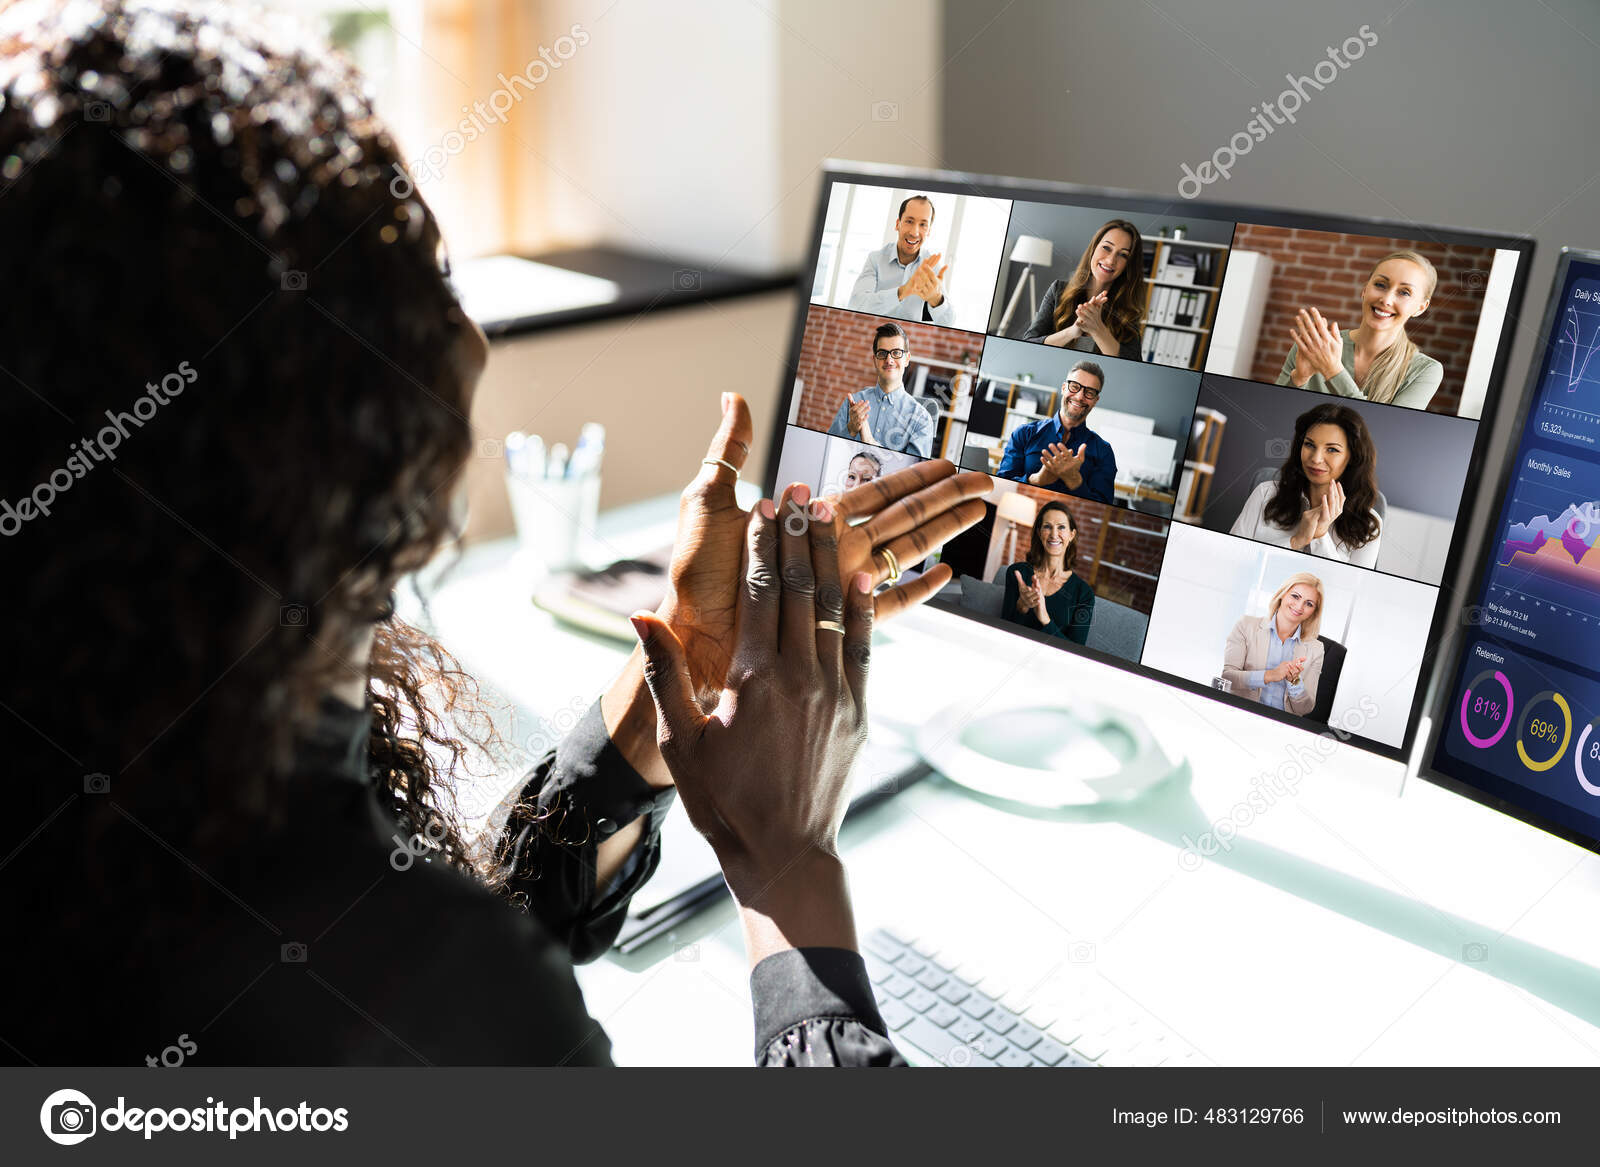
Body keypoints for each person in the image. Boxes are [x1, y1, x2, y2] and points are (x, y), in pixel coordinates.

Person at [0, 0, 997, 1067]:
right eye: (419, 282)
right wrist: (784, 859)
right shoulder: (418, 1004)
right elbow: (448, 975)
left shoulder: (142, 749)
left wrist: (676, 681)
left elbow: (467, 920)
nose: (469, 343)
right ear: (277, 431)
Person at [1276, 250, 1442, 409]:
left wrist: (1332, 370)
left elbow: (1385, 428)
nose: (1386, 300)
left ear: (1421, 307)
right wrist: (1299, 379)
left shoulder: (1425, 370)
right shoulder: (1315, 346)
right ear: (1365, 290)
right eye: (1380, 285)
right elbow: (1273, 408)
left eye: (1404, 293)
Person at [1230, 403, 1382, 569]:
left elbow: (1347, 590)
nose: (1316, 459)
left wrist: (1320, 535)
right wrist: (1296, 541)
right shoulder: (1265, 493)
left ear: (1352, 457)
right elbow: (1232, 558)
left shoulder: (1369, 526)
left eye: (1332, 449)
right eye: (1309, 444)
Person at [1020, 219, 1146, 360]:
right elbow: (1028, 344)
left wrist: (1098, 330)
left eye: (1123, 255)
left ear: (1128, 265)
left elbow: (1133, 363)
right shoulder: (1058, 290)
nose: (1111, 261)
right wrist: (1072, 332)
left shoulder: (1129, 312)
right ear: (1094, 248)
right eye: (1106, 248)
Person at [995, 360, 1118, 502]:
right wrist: (1035, 480)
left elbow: (1103, 507)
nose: (1079, 396)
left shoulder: (1104, 451)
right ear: (1064, 388)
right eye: (1074, 387)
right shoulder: (1024, 434)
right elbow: (1002, 485)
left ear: (1096, 400)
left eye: (1089, 392)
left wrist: (1075, 482)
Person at [1219, 573, 1327, 715]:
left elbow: (1305, 709)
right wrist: (1270, 675)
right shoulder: (1246, 626)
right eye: (1295, 596)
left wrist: (1294, 681)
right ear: (1282, 594)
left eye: (1309, 604)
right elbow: (1228, 677)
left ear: (1314, 612)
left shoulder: (1316, 649)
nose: (1299, 606)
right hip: (1242, 714)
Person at [826, 321, 936, 458]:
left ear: (907, 359)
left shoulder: (921, 418)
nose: (889, 360)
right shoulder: (853, 403)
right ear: (874, 360)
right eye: (882, 353)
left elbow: (915, 476)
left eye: (896, 352)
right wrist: (851, 429)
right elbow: (828, 451)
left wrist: (870, 442)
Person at [846, 194, 954, 325]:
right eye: (909, 221)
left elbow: (948, 323)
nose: (914, 232)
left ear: (929, 231)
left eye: (923, 225)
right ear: (898, 224)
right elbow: (855, 305)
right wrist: (903, 291)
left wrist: (936, 299)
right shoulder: (875, 259)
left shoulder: (932, 266)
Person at [1001, 501, 1095, 644]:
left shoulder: (1083, 593)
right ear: (1039, 533)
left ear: (1071, 535)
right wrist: (1022, 607)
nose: (1054, 534)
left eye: (1061, 527)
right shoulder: (1017, 572)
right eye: (1047, 527)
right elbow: (1000, 631)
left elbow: (1076, 653)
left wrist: (1045, 619)